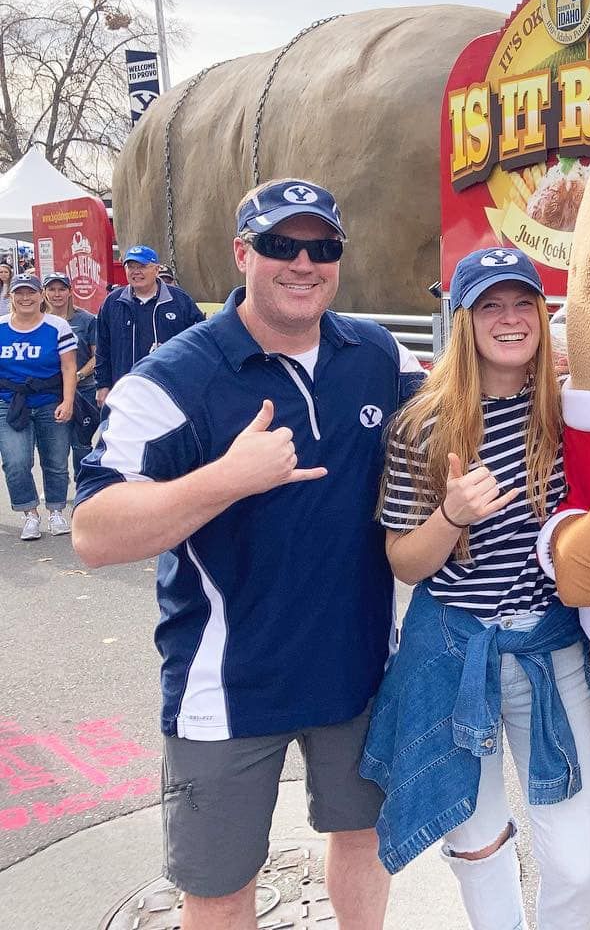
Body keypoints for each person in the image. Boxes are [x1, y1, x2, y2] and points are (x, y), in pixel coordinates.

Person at [72, 179, 423, 930]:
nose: (303, 263)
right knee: (223, 887)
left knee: (364, 841)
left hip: (357, 672)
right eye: (279, 245)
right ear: (242, 253)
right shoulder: (174, 379)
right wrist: (227, 480)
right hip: (227, 688)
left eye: (321, 247)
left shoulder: (376, 353)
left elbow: (451, 411)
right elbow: (94, 532)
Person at [361, 247, 590, 930]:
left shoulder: (572, 416)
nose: (508, 319)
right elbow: (405, 564)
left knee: (576, 860)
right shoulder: (422, 423)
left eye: (521, 303)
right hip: (452, 656)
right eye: (489, 305)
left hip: (553, 651)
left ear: (542, 314)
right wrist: (451, 515)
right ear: (464, 319)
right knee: (477, 847)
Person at [0, 274, 77, 540]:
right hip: (10, 402)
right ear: (11, 297)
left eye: (30, 293)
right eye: (19, 293)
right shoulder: (0, 328)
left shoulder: (57, 326)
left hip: (49, 400)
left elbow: (68, 366)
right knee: (15, 461)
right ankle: (29, 513)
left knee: (55, 460)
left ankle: (56, 510)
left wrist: (68, 401)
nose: (25, 298)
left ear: (40, 296)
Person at [94, 244, 204, 406]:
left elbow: (199, 343)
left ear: (156, 269)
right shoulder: (112, 302)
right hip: (125, 392)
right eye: (131, 266)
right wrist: (102, 385)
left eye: (142, 266)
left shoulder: (180, 301)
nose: (136, 272)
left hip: (168, 391)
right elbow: (102, 348)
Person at [42, 273, 99, 478]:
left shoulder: (87, 320)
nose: (57, 294)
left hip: (84, 391)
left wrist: (78, 376)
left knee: (82, 443)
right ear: (44, 293)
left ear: (69, 291)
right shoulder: (39, 321)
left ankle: (83, 482)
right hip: (52, 391)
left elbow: (97, 356)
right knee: (55, 445)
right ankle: (59, 482)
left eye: (61, 289)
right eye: (51, 289)